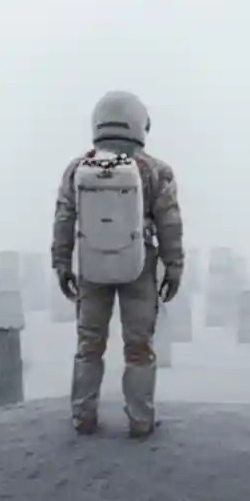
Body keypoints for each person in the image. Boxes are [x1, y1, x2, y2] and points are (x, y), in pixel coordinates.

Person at [51, 91, 184, 439]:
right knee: (139, 346)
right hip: (138, 266)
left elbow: (64, 218)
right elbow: (169, 222)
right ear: (139, 124)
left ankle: (83, 416)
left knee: (89, 344)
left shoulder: (78, 168)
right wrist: (174, 266)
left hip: (92, 265)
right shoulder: (156, 170)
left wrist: (62, 263)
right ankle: (140, 421)